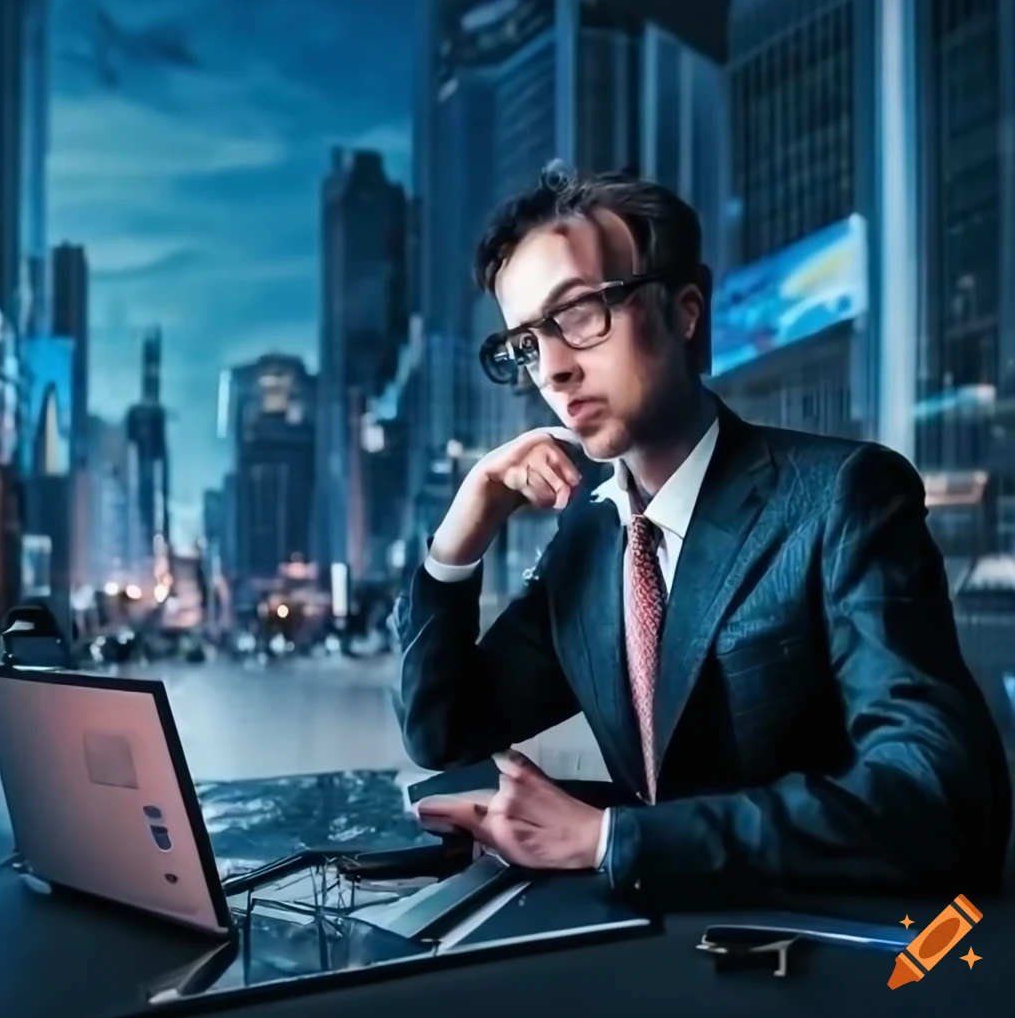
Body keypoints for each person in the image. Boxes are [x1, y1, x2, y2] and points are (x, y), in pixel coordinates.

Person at [393, 164, 1012, 897]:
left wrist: (609, 838)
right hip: (657, 946)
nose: (552, 370)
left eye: (579, 313)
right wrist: (458, 541)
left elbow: (940, 802)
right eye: (526, 342)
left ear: (685, 310)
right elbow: (443, 731)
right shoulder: (591, 545)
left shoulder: (841, 496)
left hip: (843, 954)